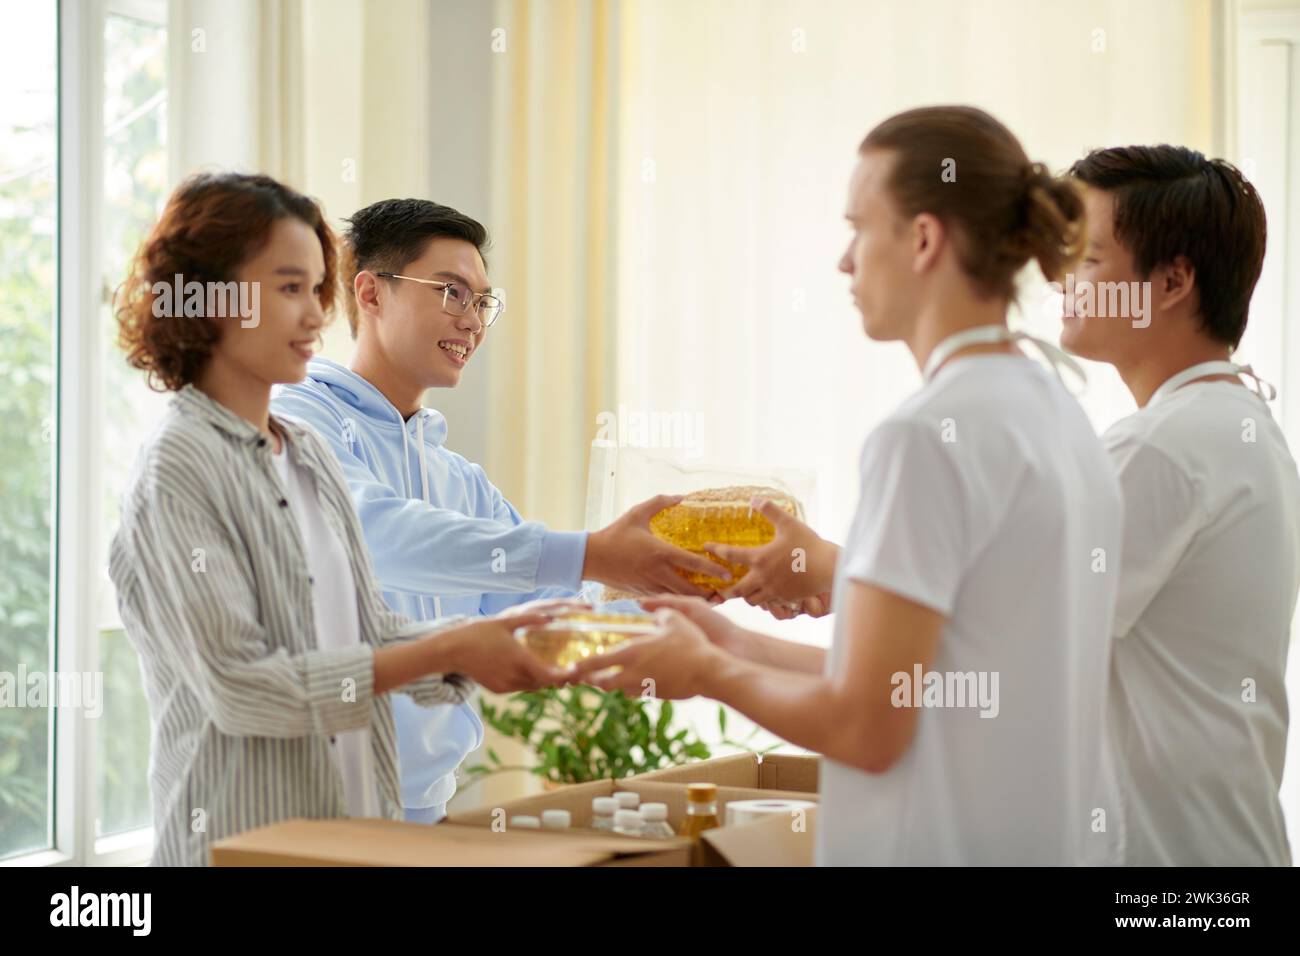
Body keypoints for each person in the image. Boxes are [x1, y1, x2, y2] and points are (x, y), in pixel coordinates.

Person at [572, 106, 1124, 865]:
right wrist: (735, 641)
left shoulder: (926, 436)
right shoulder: (1058, 416)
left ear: (923, 239)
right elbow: (922, 685)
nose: (844, 262)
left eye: (859, 228)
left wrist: (706, 672)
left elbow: (867, 725)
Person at [109, 172, 568, 865]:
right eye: (290, 289)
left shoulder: (305, 454)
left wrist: (485, 647)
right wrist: (449, 649)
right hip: (240, 846)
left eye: (317, 290)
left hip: (354, 835)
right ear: (210, 298)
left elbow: (366, 630)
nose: (316, 316)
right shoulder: (180, 466)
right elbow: (244, 688)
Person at [270, 198, 721, 822]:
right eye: (452, 293)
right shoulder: (297, 417)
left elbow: (543, 622)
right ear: (370, 294)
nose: (473, 322)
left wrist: (673, 586)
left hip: (425, 814)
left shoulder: (460, 481)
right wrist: (595, 549)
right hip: (309, 818)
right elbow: (368, 533)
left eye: (484, 303)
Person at [1062, 145, 1300, 865]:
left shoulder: (1160, 447)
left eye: (1088, 260)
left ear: (1171, 282)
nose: (1062, 281)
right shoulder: (1243, 427)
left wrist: (824, 575)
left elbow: (1005, 629)